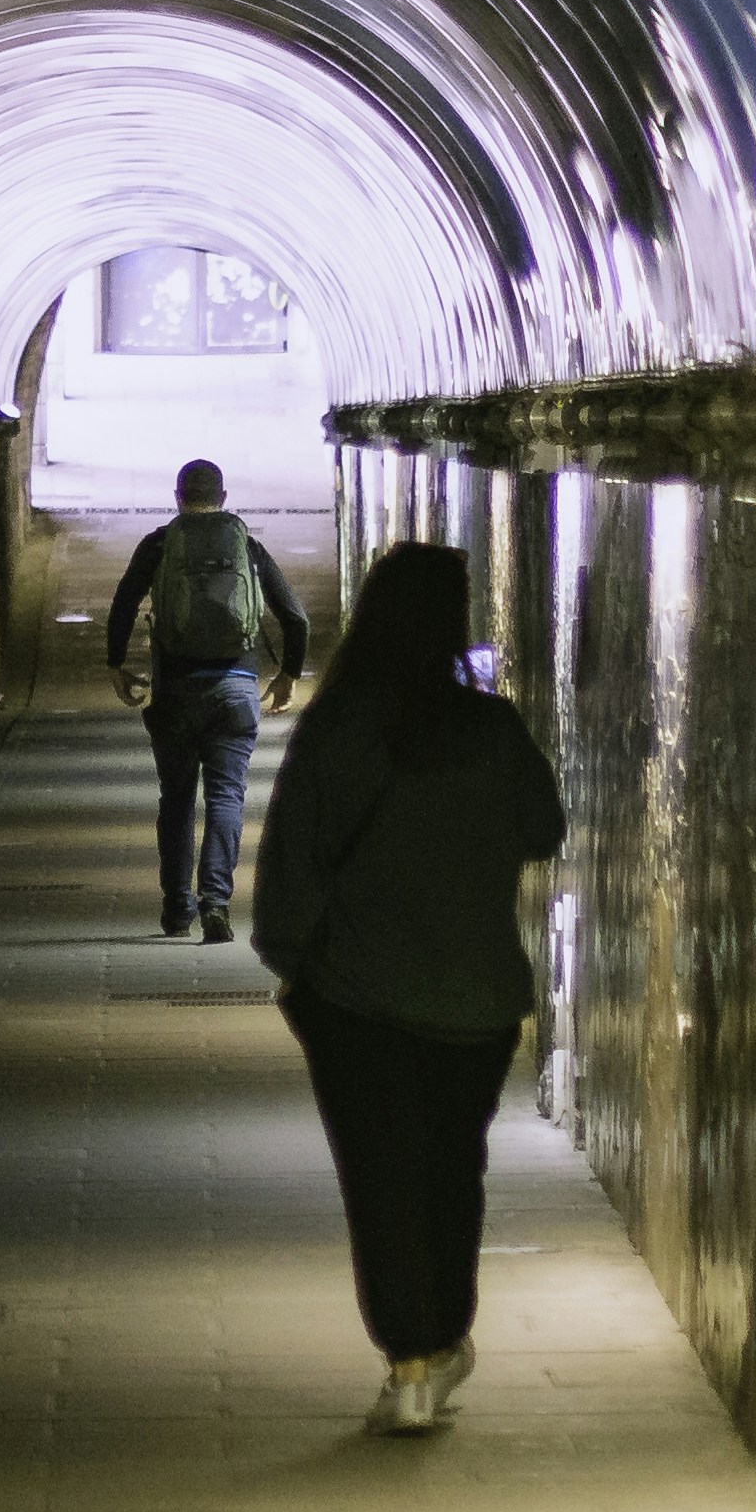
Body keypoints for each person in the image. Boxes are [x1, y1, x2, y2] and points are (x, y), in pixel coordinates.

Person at [248, 541, 565, 1435]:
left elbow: (291, 861)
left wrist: (294, 965)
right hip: (473, 1005)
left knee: (379, 1177)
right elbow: (544, 828)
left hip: (357, 1003)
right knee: (451, 1170)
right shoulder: (490, 728)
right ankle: (443, 1332)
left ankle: (411, 1359)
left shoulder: (339, 724)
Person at [107, 458, 307, 940]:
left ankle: (177, 909)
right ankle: (215, 904)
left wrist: (116, 664)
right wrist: (288, 674)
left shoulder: (159, 544)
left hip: (175, 691)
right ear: (223, 497)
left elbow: (123, 603)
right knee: (226, 795)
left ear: (178, 497)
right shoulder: (247, 548)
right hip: (236, 691)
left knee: (176, 799)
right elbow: (295, 618)